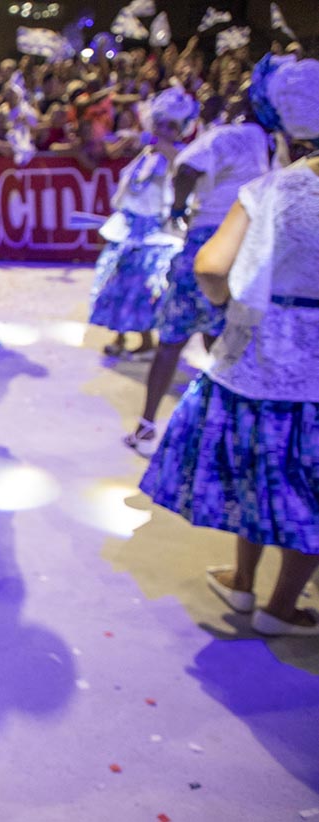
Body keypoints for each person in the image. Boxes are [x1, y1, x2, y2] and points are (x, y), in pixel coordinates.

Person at [140, 54, 319, 637]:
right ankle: (281, 607)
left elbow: (212, 267)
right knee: (307, 492)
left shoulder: (269, 190)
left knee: (265, 473)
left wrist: (233, 309)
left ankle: (244, 586)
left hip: (259, 357)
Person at [123, 82, 271, 455]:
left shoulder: (251, 139)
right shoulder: (252, 140)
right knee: (218, 340)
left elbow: (187, 166)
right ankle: (225, 435)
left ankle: (150, 426)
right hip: (233, 244)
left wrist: (179, 209)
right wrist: (179, 207)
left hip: (219, 242)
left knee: (182, 338)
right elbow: (186, 166)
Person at [89, 86, 198, 360]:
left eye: (171, 127)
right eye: (160, 124)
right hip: (129, 230)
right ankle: (121, 336)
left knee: (143, 289)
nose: (163, 131)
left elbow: (181, 166)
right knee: (116, 284)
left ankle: (148, 340)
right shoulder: (145, 154)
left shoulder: (179, 155)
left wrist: (160, 144)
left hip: (154, 234)